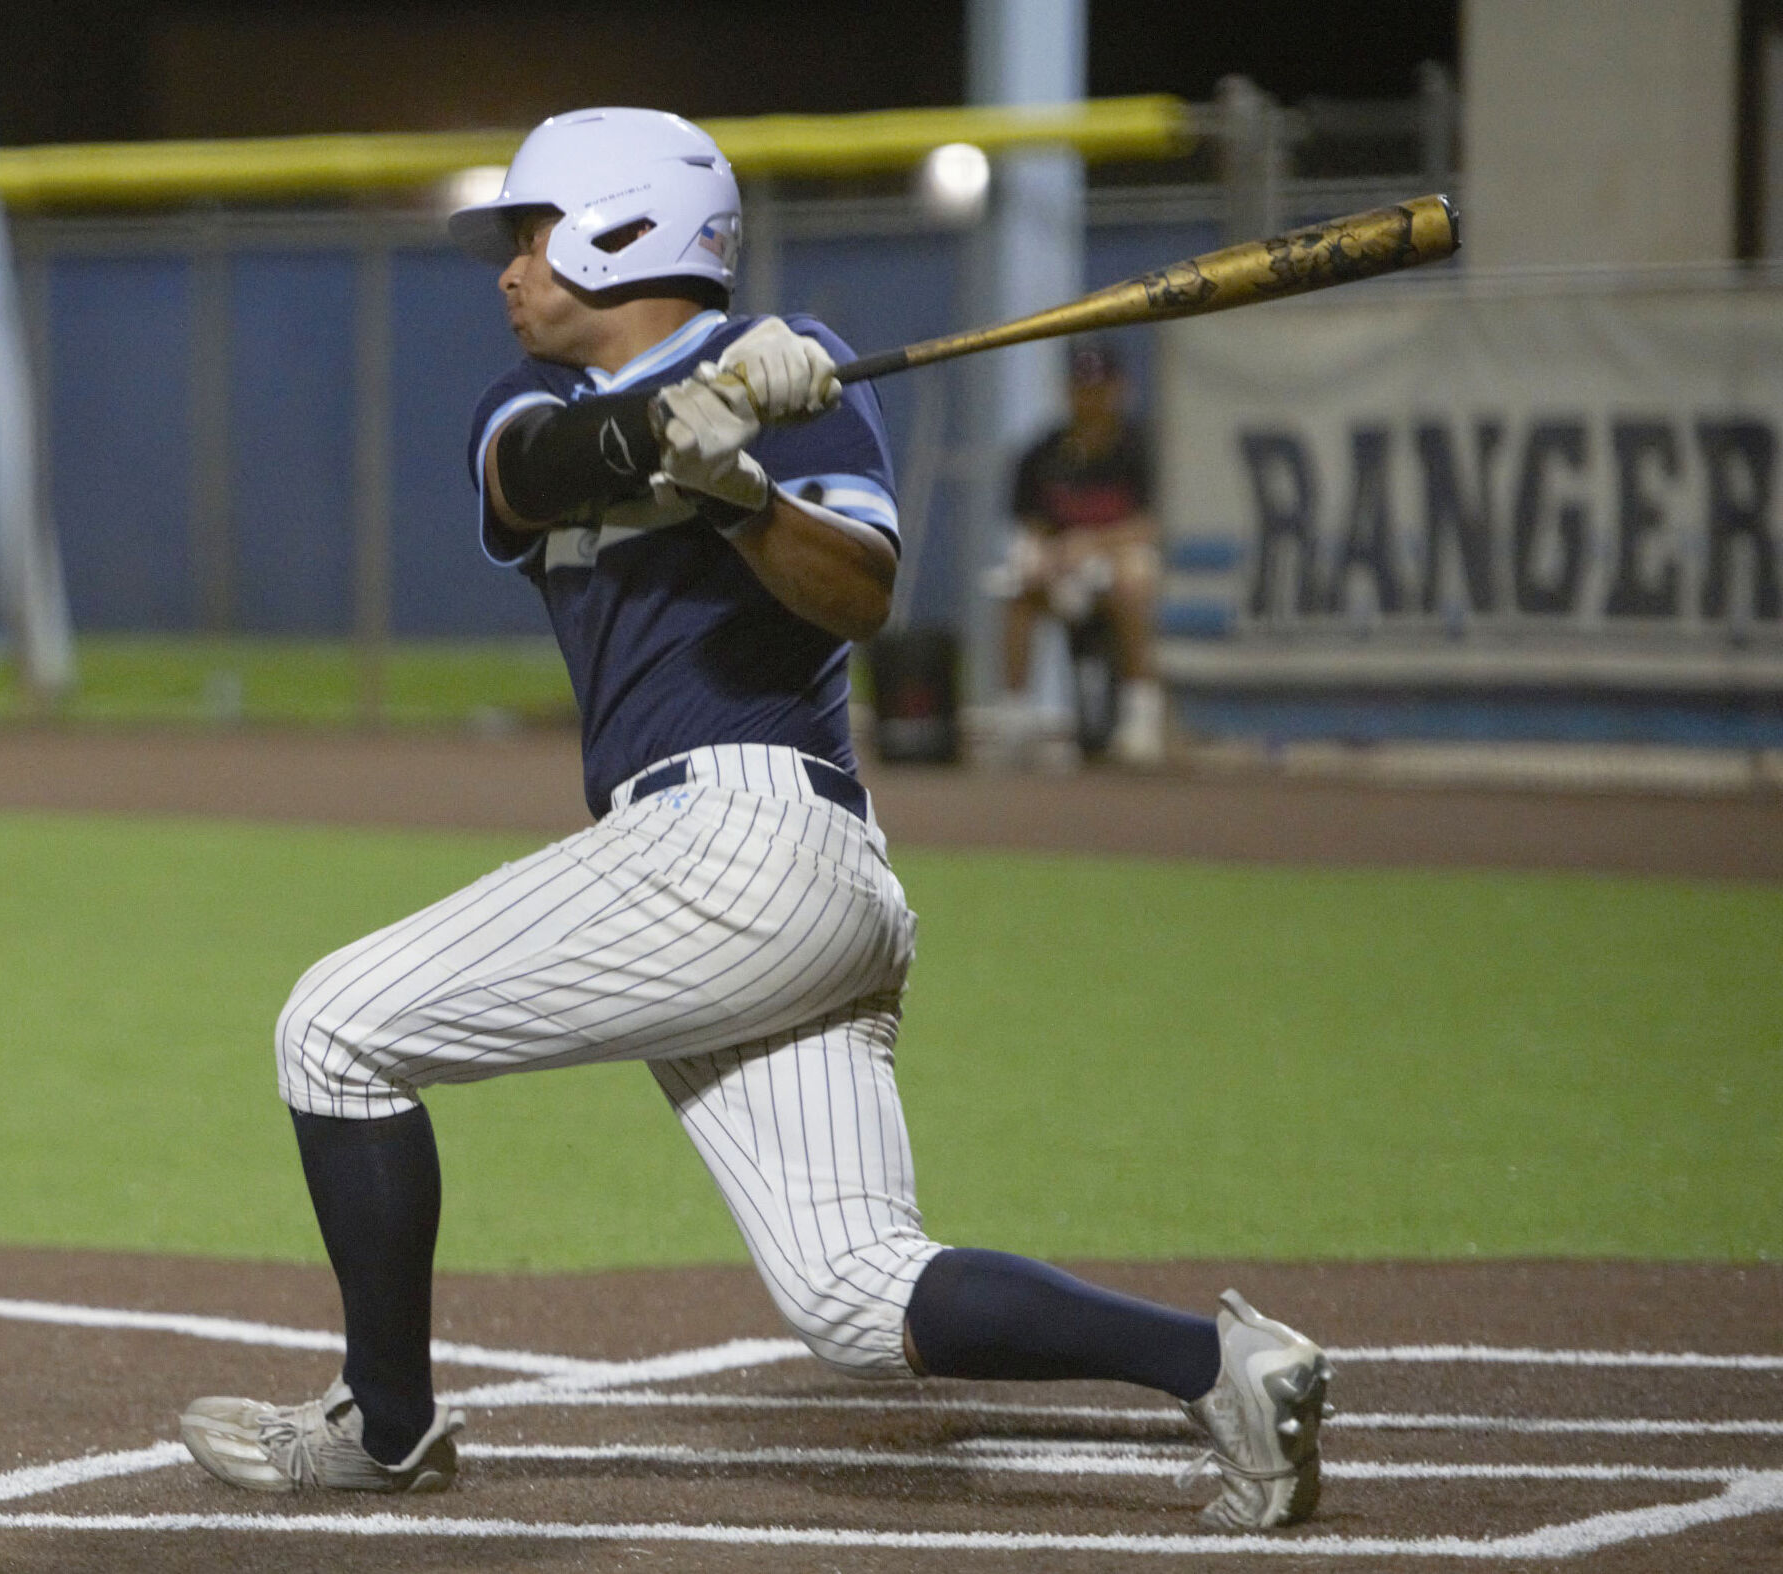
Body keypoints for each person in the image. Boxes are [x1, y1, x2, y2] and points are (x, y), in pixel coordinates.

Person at [178, 107, 1329, 1532]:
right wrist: (680, 427)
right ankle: (1224, 1365)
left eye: (531, 236)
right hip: (772, 890)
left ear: (620, 231)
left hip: (750, 847)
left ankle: (389, 1423)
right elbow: (534, 473)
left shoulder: (806, 386)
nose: (508, 271)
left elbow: (861, 593)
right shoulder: (526, 405)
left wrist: (738, 495)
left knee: (333, 1029)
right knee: (856, 1292)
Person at [999, 342, 1166, 764]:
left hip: (1116, 560)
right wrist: (1049, 556)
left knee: (1133, 579)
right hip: (1062, 567)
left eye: (1098, 388)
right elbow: (1031, 526)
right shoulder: (1042, 451)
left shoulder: (1138, 445)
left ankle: (1141, 717)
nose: (1089, 398)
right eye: (1080, 387)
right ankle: (1017, 716)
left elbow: (1151, 525)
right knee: (1020, 586)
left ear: (1118, 389)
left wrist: (1092, 544)